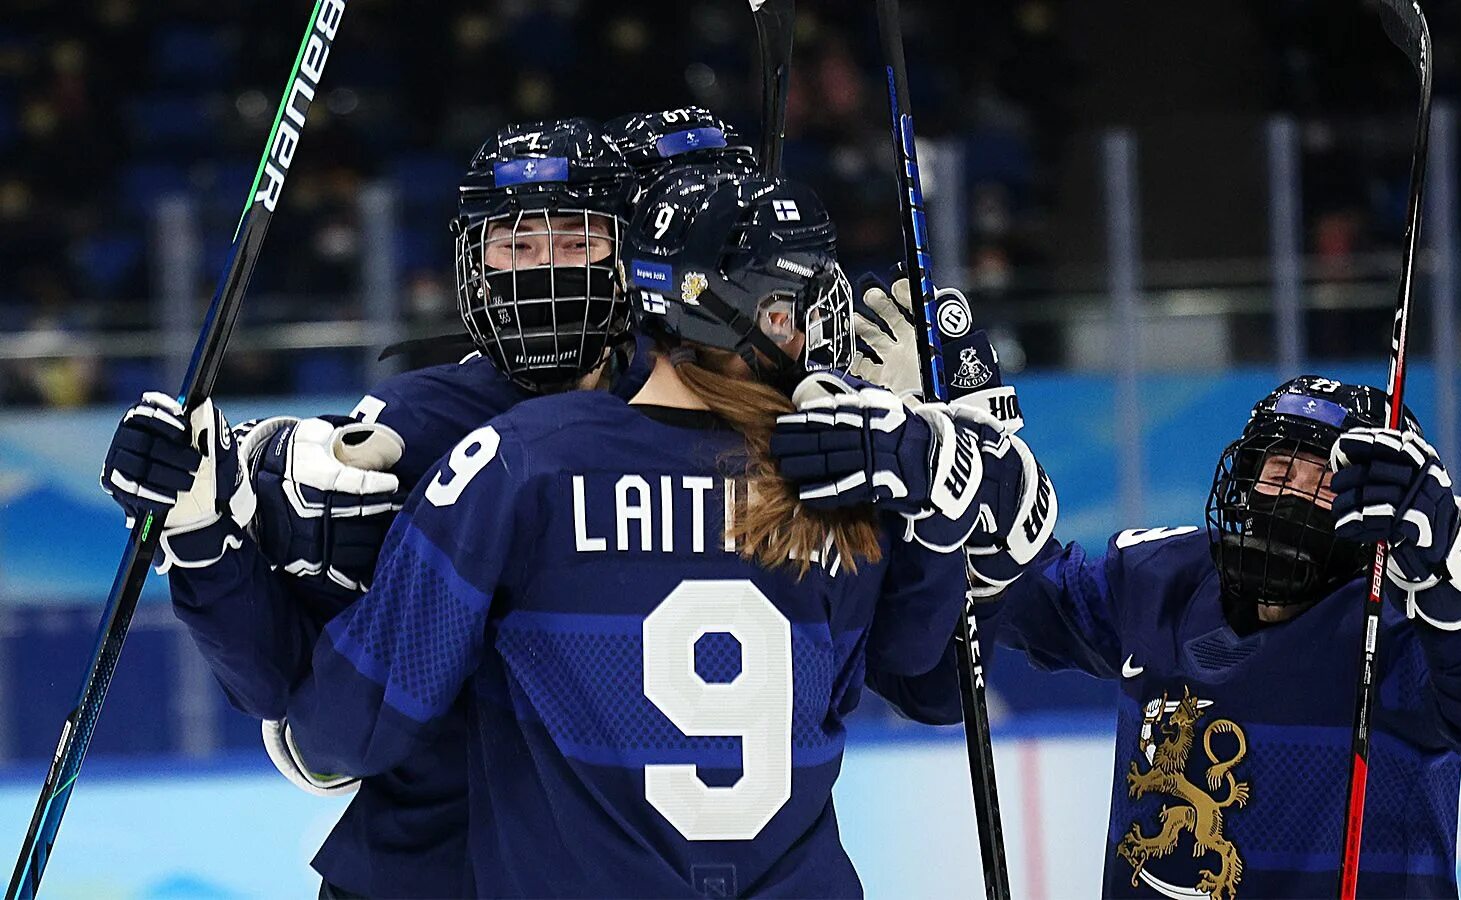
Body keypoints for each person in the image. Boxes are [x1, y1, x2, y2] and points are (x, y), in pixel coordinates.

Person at [281, 167, 1012, 895]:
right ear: (757, 316)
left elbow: (350, 729)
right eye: (799, 303)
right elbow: (929, 673)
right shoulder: (843, 480)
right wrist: (948, 457)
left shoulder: (522, 461)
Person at [101, 116, 641, 898]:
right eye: (515, 245)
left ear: (627, 255)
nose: (542, 271)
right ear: (475, 262)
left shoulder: (690, 416)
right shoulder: (405, 425)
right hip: (425, 868)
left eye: (574, 240)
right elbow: (283, 683)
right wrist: (202, 534)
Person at [991, 376, 1461, 899]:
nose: (1292, 488)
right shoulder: (1161, 576)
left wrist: (1455, 591)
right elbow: (1026, 598)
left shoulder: (1402, 627)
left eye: (1321, 476)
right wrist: (968, 461)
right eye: (1277, 468)